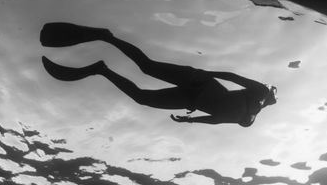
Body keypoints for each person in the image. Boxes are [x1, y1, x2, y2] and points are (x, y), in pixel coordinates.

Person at [40, 22, 277, 127]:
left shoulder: (242, 119)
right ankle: (106, 36)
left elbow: (214, 119)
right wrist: (207, 73)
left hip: (190, 100)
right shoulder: (261, 93)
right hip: (200, 81)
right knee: (147, 67)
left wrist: (191, 120)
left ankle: (100, 69)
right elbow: (233, 77)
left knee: (142, 98)